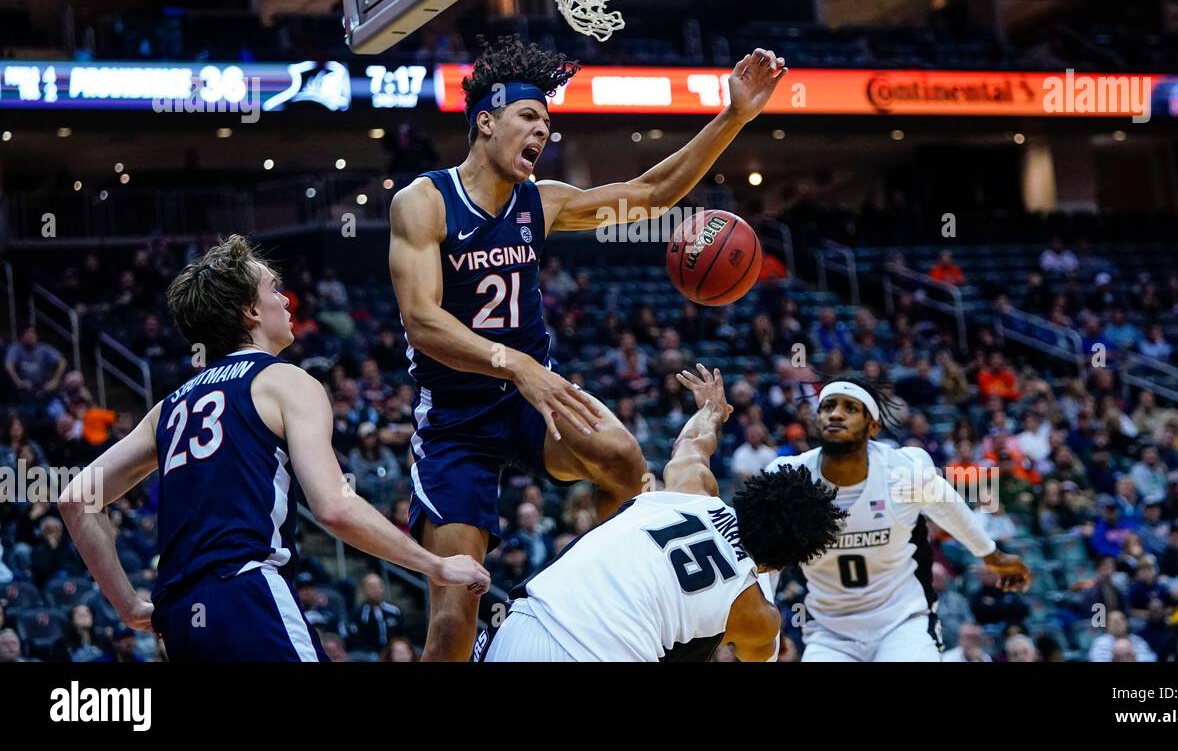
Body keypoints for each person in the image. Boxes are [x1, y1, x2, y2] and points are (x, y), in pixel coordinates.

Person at [389, 35, 789, 661]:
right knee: (452, 616)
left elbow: (652, 194)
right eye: (529, 117)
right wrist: (516, 364)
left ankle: (587, 600)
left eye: (548, 123)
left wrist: (733, 115)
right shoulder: (423, 201)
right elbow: (421, 321)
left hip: (531, 399)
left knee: (623, 461)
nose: (542, 131)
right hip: (456, 423)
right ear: (485, 121)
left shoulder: (542, 202)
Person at [58, 235, 489, 662]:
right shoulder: (285, 381)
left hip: (180, 619)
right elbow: (334, 507)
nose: (286, 301)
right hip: (248, 594)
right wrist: (435, 565)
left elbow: (75, 499)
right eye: (274, 290)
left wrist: (129, 606)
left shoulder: (168, 407)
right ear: (249, 311)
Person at [482, 365, 843, 661]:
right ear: (796, 556)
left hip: (526, 623)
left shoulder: (691, 492)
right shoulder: (757, 616)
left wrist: (711, 411)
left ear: (749, 496)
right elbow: (760, 652)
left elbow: (692, 443)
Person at [767, 381, 1031, 662]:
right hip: (829, 634)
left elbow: (949, 508)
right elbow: (763, 556)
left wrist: (992, 555)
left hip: (902, 624)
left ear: (873, 427)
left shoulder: (904, 470)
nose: (836, 414)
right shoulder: (789, 478)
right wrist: (768, 621)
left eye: (850, 408)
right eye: (828, 407)